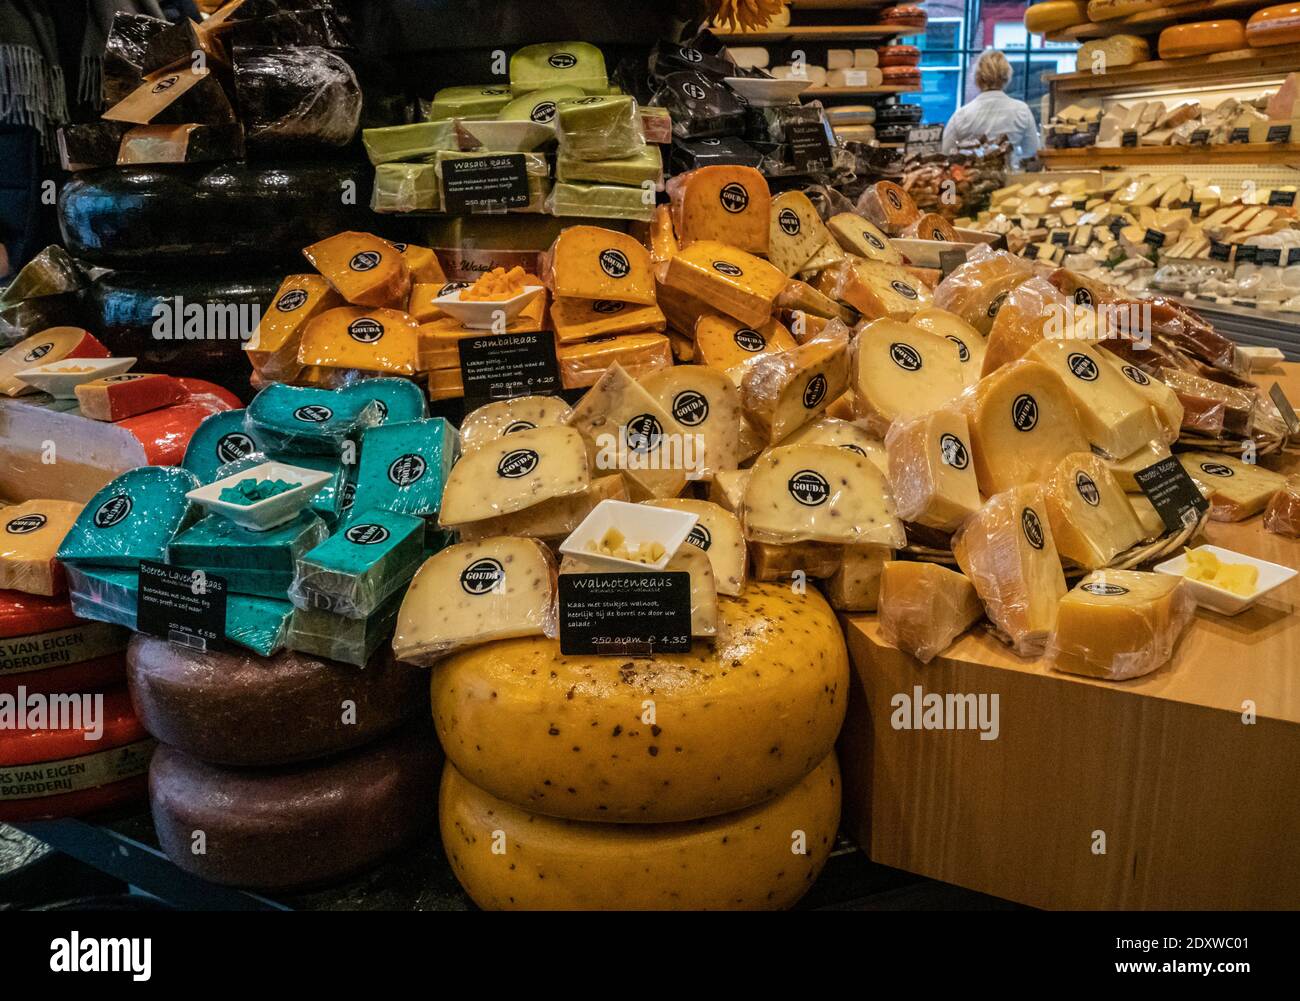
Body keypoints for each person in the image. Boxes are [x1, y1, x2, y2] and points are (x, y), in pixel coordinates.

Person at [941, 49, 1040, 168]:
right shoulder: (1021, 110)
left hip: (973, 180)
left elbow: (946, 155)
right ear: (1007, 76)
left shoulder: (961, 115)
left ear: (977, 78)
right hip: (1011, 179)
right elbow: (1032, 152)